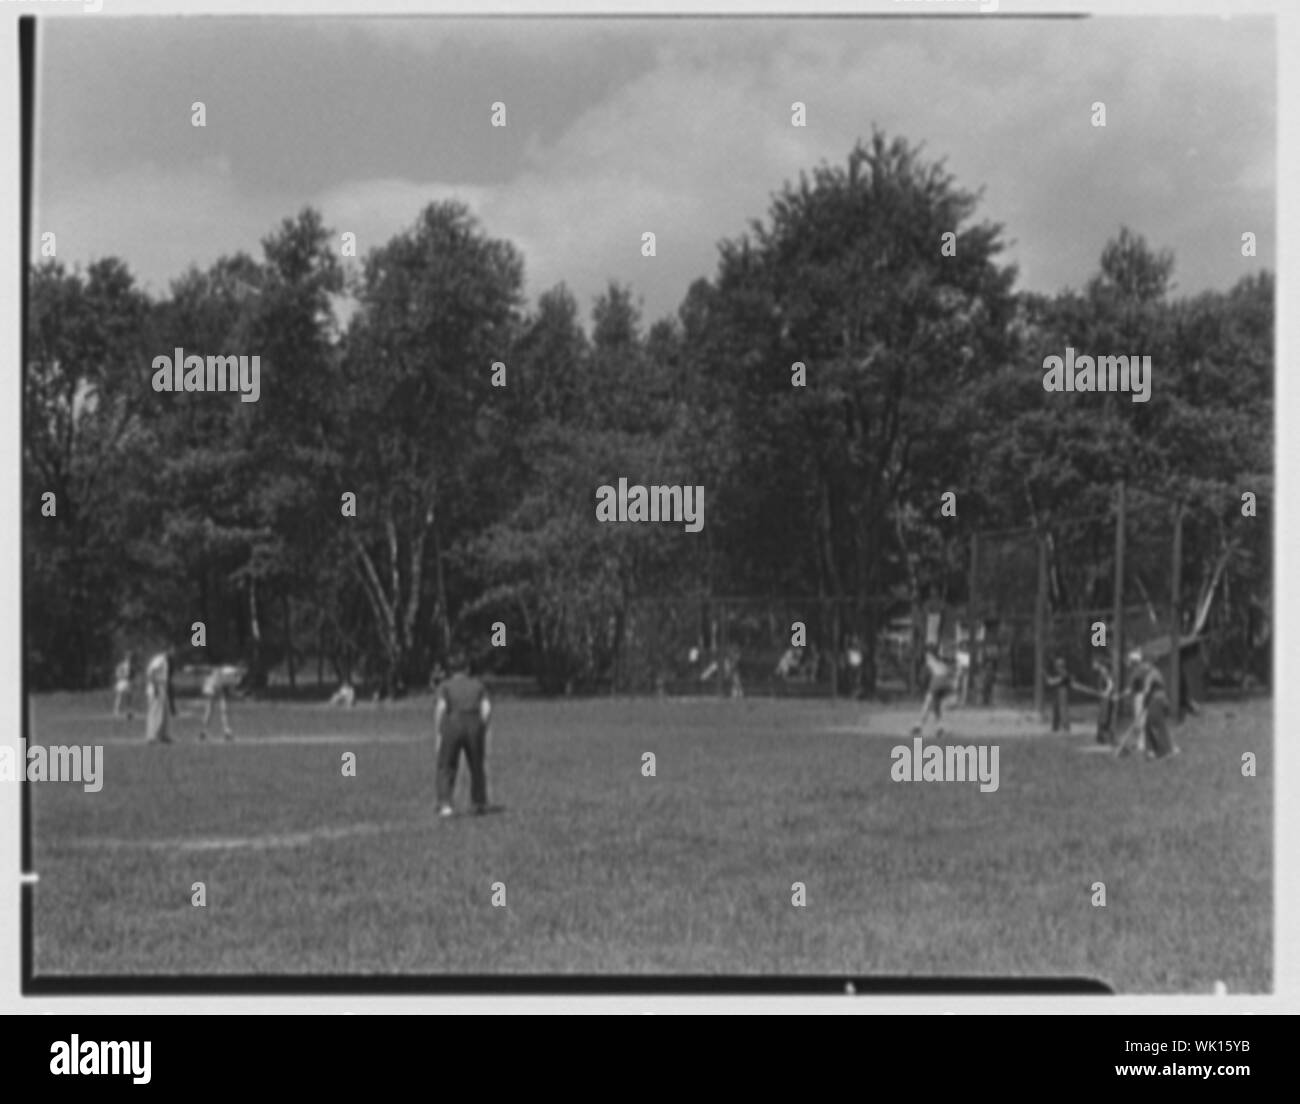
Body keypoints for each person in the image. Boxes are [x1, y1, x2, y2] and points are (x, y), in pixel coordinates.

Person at [433, 652, 492, 817]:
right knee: (476, 765)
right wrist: (482, 728)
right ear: (467, 668)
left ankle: (445, 804)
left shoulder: (445, 686)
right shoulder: (478, 685)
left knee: (446, 765)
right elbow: (486, 709)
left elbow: (441, 708)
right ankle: (479, 802)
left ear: (451, 670)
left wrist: (439, 731)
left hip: (453, 723)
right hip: (474, 722)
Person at [911, 645, 956, 740]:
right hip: (946, 682)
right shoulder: (944, 661)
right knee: (937, 707)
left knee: (927, 704)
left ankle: (918, 726)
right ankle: (940, 728)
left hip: (937, 682)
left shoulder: (930, 659)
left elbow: (924, 673)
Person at [199, 664, 241, 741]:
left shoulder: (231, 672)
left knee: (215, 710)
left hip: (213, 684)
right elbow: (231, 688)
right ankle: (226, 731)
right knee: (218, 709)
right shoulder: (232, 672)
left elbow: (229, 687)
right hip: (213, 685)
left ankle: (204, 731)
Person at [144, 647, 176, 744]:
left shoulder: (165, 661)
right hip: (157, 686)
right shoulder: (159, 659)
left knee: (165, 712)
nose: (174, 653)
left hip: (162, 686)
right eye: (173, 650)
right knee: (156, 712)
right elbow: (151, 672)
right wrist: (155, 687)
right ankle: (152, 736)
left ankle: (164, 735)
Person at [1045, 655, 1071, 734]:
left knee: (1063, 710)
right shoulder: (1059, 673)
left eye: (1057, 665)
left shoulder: (1064, 672)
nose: (1056, 667)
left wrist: (1050, 680)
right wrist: (1050, 680)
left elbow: (1056, 681)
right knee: (1055, 709)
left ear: (1061, 665)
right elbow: (1053, 681)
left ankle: (1065, 728)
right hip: (1057, 692)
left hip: (1062, 692)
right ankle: (1055, 727)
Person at [112, 651, 136, 719]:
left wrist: (132, 681)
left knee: (129, 698)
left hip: (128, 682)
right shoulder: (121, 665)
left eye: (130, 657)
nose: (130, 658)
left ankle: (128, 711)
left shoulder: (131, 666)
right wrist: (122, 676)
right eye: (128, 656)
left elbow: (133, 675)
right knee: (120, 696)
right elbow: (117, 673)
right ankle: (116, 711)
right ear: (125, 657)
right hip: (122, 682)